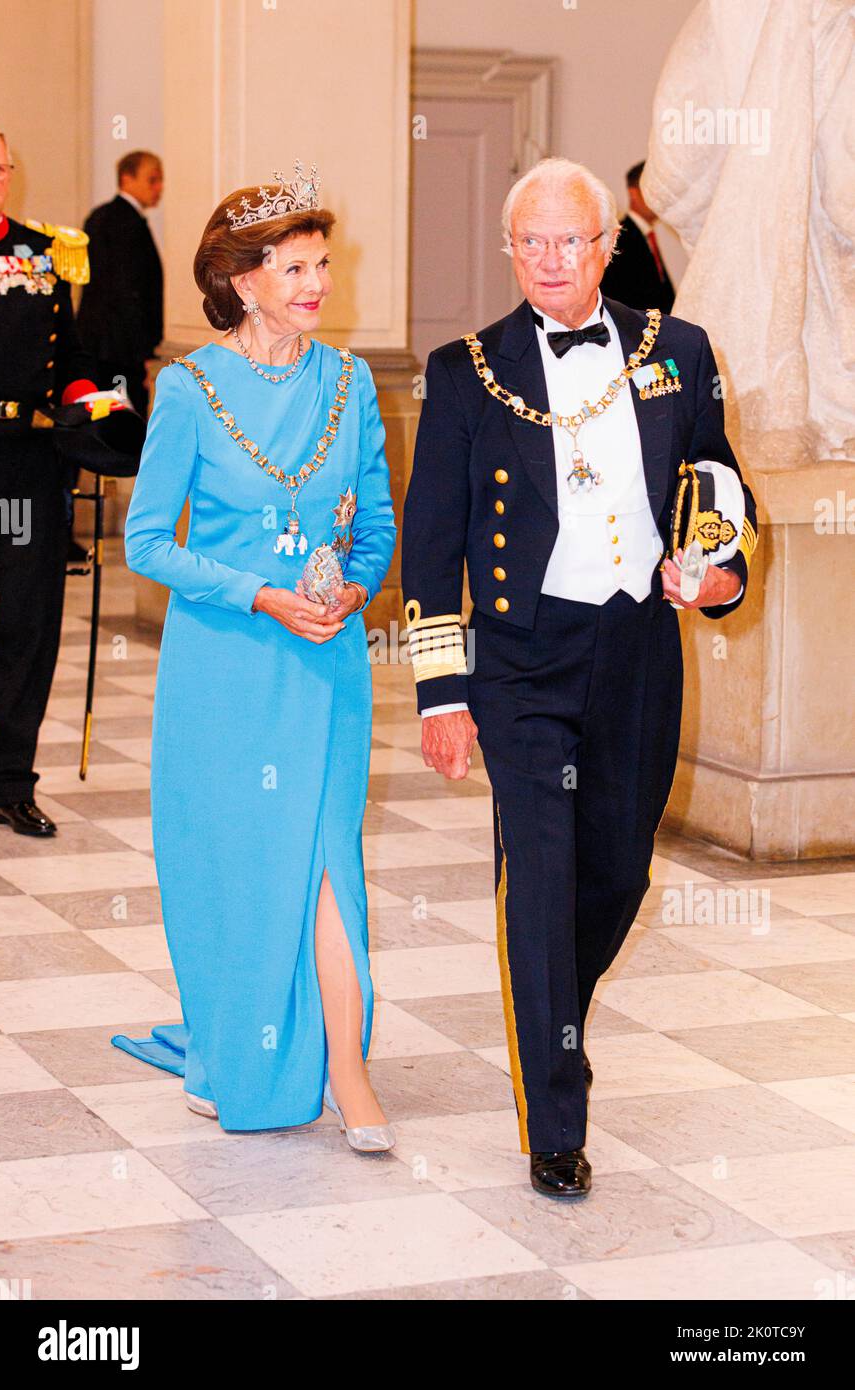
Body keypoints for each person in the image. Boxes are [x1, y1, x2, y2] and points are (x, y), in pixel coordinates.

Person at [401, 157, 758, 1198]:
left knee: (618, 871)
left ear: (608, 246)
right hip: (520, 659)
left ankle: (552, 1011)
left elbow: (718, 480)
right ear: (510, 251)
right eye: (531, 242)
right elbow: (432, 548)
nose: (551, 259)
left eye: (572, 240)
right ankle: (554, 1115)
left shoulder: (677, 351)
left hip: (639, 649)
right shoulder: (466, 368)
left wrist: (724, 569)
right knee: (542, 878)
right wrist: (441, 691)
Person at [112, 165, 397, 1151]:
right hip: (224, 667)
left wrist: (354, 587)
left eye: (323, 264)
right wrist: (255, 591)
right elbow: (145, 543)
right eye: (296, 267)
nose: (318, 284)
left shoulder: (352, 381)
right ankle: (240, 1046)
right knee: (235, 865)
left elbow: (378, 527)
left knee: (324, 861)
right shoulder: (188, 390)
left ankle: (348, 1072)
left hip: (324, 661)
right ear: (244, 281)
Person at [0, 124, 94, 837]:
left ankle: (7, 782)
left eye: (0, 165)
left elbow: (77, 363)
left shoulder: (43, 252)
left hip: (24, 470)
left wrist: (101, 414)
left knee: (26, 627)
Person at [76, 150, 164, 416]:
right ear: (127, 178)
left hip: (95, 347)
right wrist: (143, 353)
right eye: (152, 179)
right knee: (126, 433)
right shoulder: (128, 223)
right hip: (123, 352)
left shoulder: (100, 216)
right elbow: (129, 292)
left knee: (102, 427)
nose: (159, 187)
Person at [601, 160, 675, 313]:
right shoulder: (620, 237)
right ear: (634, 193)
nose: (659, 198)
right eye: (652, 191)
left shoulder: (646, 235)